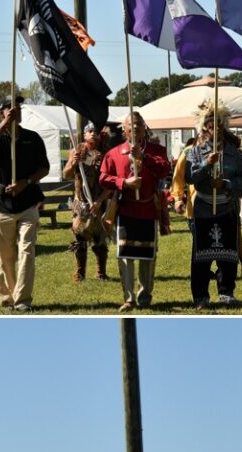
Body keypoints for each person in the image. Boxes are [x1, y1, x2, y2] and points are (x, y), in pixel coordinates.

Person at [0, 97, 50, 312]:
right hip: (2, 205)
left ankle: (23, 299)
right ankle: (8, 298)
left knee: (27, 251)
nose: (16, 111)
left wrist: (26, 182)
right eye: (11, 108)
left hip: (28, 203)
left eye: (18, 108)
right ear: (2, 112)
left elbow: (44, 168)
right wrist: (3, 126)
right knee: (4, 256)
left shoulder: (32, 138)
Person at [179, 100, 242, 308]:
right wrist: (206, 164)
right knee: (201, 255)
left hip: (227, 207)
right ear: (204, 128)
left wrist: (226, 183)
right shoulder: (194, 151)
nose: (214, 128)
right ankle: (200, 296)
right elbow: (189, 177)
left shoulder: (234, 153)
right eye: (210, 125)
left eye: (218, 124)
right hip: (203, 208)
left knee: (228, 254)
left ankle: (226, 292)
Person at [100, 111, 171, 312]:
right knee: (125, 254)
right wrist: (124, 183)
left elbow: (164, 169)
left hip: (148, 208)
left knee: (148, 255)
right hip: (126, 209)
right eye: (131, 124)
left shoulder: (157, 150)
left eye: (139, 124)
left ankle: (145, 296)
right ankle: (129, 298)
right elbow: (103, 178)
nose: (135, 127)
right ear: (124, 129)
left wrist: (145, 158)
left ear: (144, 127)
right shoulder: (114, 153)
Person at [66, 124, 112, 282]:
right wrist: (73, 163)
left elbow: (111, 183)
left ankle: (101, 272)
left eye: (96, 132)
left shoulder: (106, 154)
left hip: (99, 201)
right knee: (80, 238)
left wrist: (99, 201)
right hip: (81, 202)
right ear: (84, 135)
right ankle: (80, 273)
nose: (93, 134)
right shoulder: (77, 151)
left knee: (100, 238)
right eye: (90, 131)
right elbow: (66, 174)